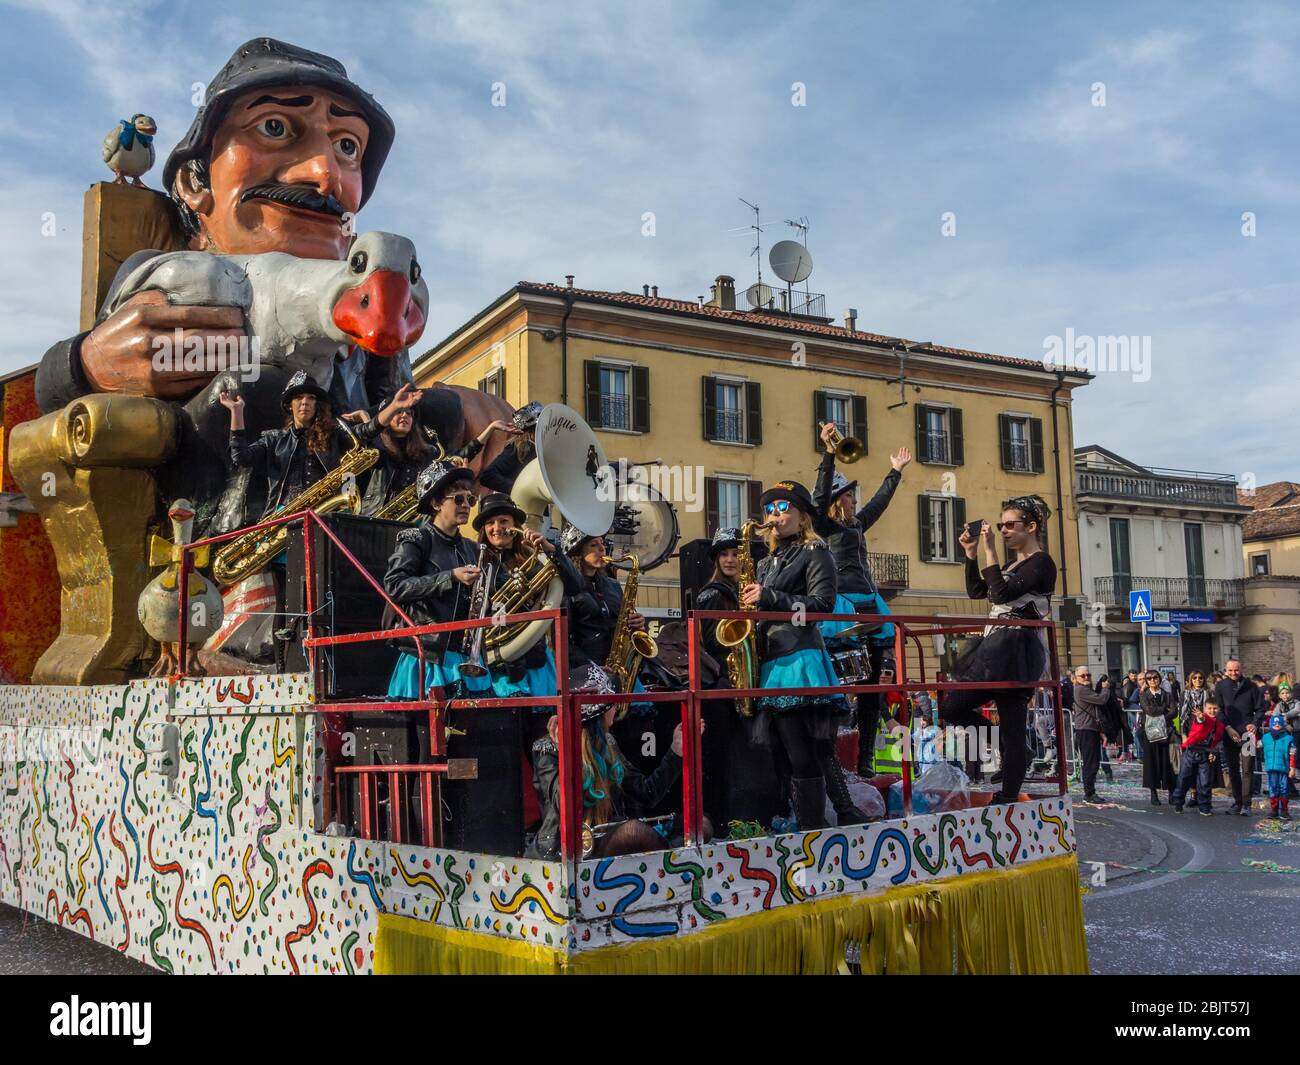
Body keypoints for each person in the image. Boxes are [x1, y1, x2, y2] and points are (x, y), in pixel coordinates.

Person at [739, 479, 853, 829]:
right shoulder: (767, 562)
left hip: (800, 661)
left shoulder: (815, 552)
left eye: (782, 508)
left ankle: (812, 828)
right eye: (769, 509)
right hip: (773, 662)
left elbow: (821, 607)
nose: (773, 515)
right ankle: (808, 821)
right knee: (788, 752)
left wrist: (770, 599)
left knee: (804, 753)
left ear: (803, 517)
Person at [937, 497, 1057, 805]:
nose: (1003, 530)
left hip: (1017, 648)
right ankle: (1010, 748)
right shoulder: (1010, 565)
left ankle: (1007, 795)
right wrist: (970, 554)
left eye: (1009, 525)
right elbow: (979, 592)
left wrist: (989, 549)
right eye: (1000, 525)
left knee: (1013, 724)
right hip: (993, 646)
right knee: (952, 708)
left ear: (1031, 527)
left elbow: (1000, 592)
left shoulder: (1042, 563)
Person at [811, 425, 911, 777]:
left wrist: (895, 473)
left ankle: (865, 759)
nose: (856, 499)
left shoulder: (856, 525)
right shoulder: (826, 526)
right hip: (843, 606)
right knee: (840, 684)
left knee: (873, 690)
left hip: (869, 604)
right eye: (851, 494)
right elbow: (818, 500)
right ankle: (834, 759)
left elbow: (879, 504)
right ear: (842, 498)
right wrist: (829, 454)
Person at [528, 665, 708, 859]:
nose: (616, 708)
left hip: (606, 835)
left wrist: (676, 751)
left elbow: (646, 793)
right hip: (568, 846)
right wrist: (567, 753)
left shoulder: (608, 742)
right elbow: (563, 807)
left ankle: (673, 866)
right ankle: (676, 865)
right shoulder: (546, 748)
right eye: (612, 703)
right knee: (632, 832)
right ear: (600, 713)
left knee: (700, 824)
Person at [469, 493, 574, 747]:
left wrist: (551, 550)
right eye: (490, 523)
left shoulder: (533, 557)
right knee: (504, 749)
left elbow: (574, 585)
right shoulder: (474, 560)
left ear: (515, 525)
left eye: (504, 521)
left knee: (544, 746)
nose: (497, 528)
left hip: (534, 662)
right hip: (496, 665)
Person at [380, 460, 482, 698]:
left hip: (464, 655)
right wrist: (450, 576)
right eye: (458, 499)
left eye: (470, 499)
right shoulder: (416, 538)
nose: (466, 505)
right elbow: (394, 586)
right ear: (436, 503)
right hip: (427, 655)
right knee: (429, 733)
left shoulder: (472, 548)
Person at [1215, 659, 1267, 816]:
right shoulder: (1220, 686)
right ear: (1225, 671)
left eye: (1236, 670)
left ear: (1241, 669)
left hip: (1247, 734)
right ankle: (1237, 802)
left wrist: (1255, 724)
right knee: (1232, 770)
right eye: (1230, 670)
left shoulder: (1251, 686)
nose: (1233, 673)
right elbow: (1219, 711)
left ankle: (1246, 804)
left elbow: (1260, 709)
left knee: (1247, 770)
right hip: (1229, 733)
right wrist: (1228, 728)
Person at [1172, 697, 1225, 816]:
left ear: (1219, 709)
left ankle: (1204, 806)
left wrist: (1214, 752)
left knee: (1205, 782)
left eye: (1215, 708)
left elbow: (1218, 741)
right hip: (1191, 752)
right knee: (1184, 778)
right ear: (1205, 709)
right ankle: (1178, 802)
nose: (1212, 711)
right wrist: (1200, 717)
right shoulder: (1204, 718)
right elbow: (1201, 722)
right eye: (1209, 708)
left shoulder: (1220, 725)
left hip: (1205, 754)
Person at [477, 401, 543, 494]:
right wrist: (520, 490)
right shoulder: (517, 449)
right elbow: (488, 476)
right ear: (534, 429)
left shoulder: (543, 449)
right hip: (518, 506)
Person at [1138, 670, 1177, 805]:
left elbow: (1174, 711)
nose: (1152, 680)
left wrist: (1161, 717)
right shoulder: (1144, 695)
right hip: (1150, 733)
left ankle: (1172, 792)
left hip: (1166, 732)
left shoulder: (1167, 694)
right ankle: (1153, 794)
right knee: (1151, 763)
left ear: (1159, 679)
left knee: (1168, 762)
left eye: (1155, 677)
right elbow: (1149, 710)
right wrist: (1164, 710)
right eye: (1149, 678)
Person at [1071, 666, 1108, 802]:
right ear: (1076, 678)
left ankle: (1091, 792)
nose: (1086, 677)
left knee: (1093, 762)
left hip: (1091, 729)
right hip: (1085, 730)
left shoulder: (1085, 688)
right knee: (1090, 763)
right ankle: (1089, 793)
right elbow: (1101, 700)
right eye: (1083, 676)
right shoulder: (1080, 689)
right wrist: (1105, 688)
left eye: (1088, 675)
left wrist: (1101, 732)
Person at [1260, 714, 1296, 820]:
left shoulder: (1289, 738)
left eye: (1279, 723)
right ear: (1271, 724)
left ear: (1283, 725)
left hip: (1284, 768)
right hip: (1271, 768)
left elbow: (1292, 754)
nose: (1276, 725)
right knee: (1273, 788)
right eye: (1274, 723)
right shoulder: (1265, 737)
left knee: (1284, 789)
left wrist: (1292, 768)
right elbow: (1257, 744)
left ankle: (1284, 811)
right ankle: (1274, 810)